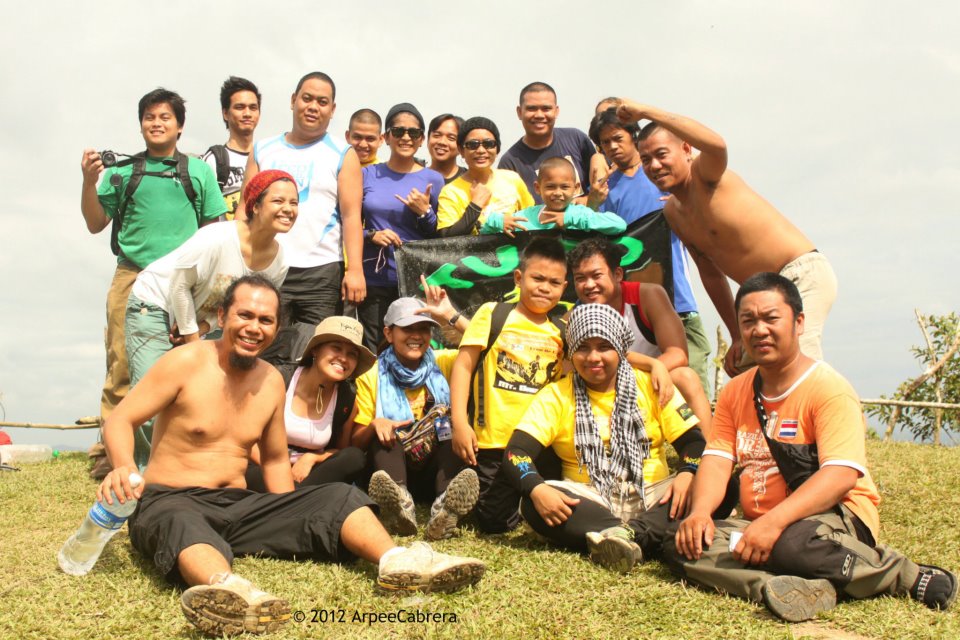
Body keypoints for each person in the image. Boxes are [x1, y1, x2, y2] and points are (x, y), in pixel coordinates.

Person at [98, 275, 485, 636]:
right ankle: (230, 592)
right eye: (244, 315)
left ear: (276, 328)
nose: (254, 327)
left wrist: (291, 510)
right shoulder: (185, 362)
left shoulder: (269, 381)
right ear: (222, 316)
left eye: (265, 320)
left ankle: (398, 562)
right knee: (180, 522)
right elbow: (121, 419)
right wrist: (125, 467)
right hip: (173, 497)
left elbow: (274, 460)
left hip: (239, 504)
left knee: (340, 495)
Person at [667, 273, 956, 622]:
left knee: (794, 546)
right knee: (681, 543)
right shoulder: (734, 391)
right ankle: (780, 589)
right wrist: (699, 514)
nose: (759, 329)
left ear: (799, 322)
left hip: (832, 520)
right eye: (748, 321)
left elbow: (841, 474)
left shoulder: (828, 388)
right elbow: (717, 458)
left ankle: (902, 574)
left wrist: (773, 524)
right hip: (759, 525)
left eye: (771, 318)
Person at [614, 100, 838, 376]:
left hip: (800, 273)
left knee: (796, 364)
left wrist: (647, 112)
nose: (655, 165)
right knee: (746, 370)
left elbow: (717, 145)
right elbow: (711, 275)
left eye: (662, 154)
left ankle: (835, 415)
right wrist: (736, 334)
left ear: (686, 150)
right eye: (646, 160)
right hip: (762, 292)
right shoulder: (673, 212)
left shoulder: (705, 175)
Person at [504, 303, 704, 572]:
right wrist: (537, 489)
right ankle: (640, 535)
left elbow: (694, 441)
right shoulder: (556, 396)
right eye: (583, 347)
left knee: (720, 486)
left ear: (621, 350)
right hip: (592, 497)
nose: (593, 357)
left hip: (654, 494)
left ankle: (627, 535)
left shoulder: (650, 384)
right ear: (572, 351)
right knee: (532, 503)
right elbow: (516, 452)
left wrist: (687, 473)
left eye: (604, 347)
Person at [80, 88, 225, 446]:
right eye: (149, 117)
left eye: (165, 117)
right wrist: (88, 181)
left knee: (187, 359)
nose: (156, 123)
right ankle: (112, 451)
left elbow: (215, 229)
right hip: (132, 275)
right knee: (121, 363)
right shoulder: (123, 172)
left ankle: (179, 446)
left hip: (184, 281)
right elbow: (95, 222)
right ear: (140, 125)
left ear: (180, 126)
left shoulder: (198, 171)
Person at [124, 170, 295, 469]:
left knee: (199, 397)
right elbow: (178, 285)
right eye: (278, 200)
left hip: (198, 317)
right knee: (151, 401)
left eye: (294, 202)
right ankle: (139, 479)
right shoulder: (218, 237)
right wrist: (194, 341)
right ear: (255, 205)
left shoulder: (279, 261)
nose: (288, 209)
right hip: (154, 305)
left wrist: (203, 327)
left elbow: (239, 309)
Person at [243, 71, 366, 379]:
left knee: (312, 354)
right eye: (307, 98)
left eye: (322, 102)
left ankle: (303, 424)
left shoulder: (343, 154)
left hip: (321, 271)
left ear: (333, 110)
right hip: (268, 266)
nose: (313, 107)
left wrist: (355, 270)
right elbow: (245, 213)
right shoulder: (263, 149)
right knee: (262, 350)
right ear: (293, 100)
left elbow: (352, 216)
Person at [586, 108, 712, 392]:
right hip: (632, 306)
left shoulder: (662, 173)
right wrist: (593, 202)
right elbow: (593, 236)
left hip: (677, 295)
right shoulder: (605, 189)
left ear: (634, 135)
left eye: (617, 138)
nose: (613, 147)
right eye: (605, 143)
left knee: (692, 373)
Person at [449, 237, 568, 532]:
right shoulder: (493, 314)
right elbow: (463, 367)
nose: (544, 287)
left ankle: (527, 503)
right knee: (494, 523)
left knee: (553, 510)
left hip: (540, 444)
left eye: (554, 282)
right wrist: (459, 424)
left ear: (564, 287)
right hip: (493, 443)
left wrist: (654, 363)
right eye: (537, 278)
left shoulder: (562, 330)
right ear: (519, 278)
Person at [351, 294, 478, 541]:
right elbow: (356, 442)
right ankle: (398, 505)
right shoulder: (371, 376)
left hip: (432, 470)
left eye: (424, 328)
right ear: (388, 334)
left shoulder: (444, 363)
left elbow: (484, 341)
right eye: (408, 328)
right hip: (392, 468)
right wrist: (376, 424)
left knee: (452, 428)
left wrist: (450, 316)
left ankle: (444, 507)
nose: (417, 336)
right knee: (385, 436)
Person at [568, 238, 713, 438]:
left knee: (686, 377)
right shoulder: (573, 317)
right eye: (580, 278)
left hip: (647, 384)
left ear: (617, 274)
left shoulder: (647, 296)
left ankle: (710, 452)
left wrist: (651, 369)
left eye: (596, 275)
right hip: (601, 390)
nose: (589, 285)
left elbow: (678, 354)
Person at [244, 316, 374, 491]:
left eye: (352, 354)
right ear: (315, 350)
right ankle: (299, 500)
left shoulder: (347, 398)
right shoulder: (278, 379)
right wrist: (280, 471)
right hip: (262, 464)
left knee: (354, 457)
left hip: (307, 474)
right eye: (336, 348)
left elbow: (340, 451)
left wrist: (312, 458)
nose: (343, 358)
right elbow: (245, 437)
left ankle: (291, 500)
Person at [357, 103, 444, 350]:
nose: (406, 137)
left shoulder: (433, 179)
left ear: (421, 140)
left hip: (416, 280)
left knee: (413, 348)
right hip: (374, 279)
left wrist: (424, 213)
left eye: (413, 133)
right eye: (398, 131)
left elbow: (439, 235)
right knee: (373, 347)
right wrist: (371, 235)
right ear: (386, 137)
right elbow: (348, 223)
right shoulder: (367, 175)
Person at [498, 82, 599, 203]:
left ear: (556, 111)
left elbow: (601, 188)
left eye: (546, 108)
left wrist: (586, 201)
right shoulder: (510, 163)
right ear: (519, 112)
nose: (539, 115)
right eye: (531, 108)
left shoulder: (576, 139)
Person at [436, 117, 534, 237]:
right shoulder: (450, 192)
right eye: (473, 145)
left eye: (489, 144)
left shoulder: (512, 179)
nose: (481, 150)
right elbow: (446, 239)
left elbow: (532, 219)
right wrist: (475, 206)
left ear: (497, 148)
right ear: (461, 150)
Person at [480, 157, 625, 237]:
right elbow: (483, 237)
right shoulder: (526, 218)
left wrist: (570, 219)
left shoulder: (579, 214)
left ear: (575, 188)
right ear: (537, 188)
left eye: (564, 187)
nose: (557, 192)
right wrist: (496, 221)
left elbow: (619, 225)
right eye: (550, 187)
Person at [203, 76, 261, 220]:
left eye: (253, 107)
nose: (247, 113)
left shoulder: (265, 155)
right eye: (239, 107)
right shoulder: (213, 160)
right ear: (225, 113)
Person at [427, 113, 465, 184]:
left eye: (451, 138)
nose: (442, 142)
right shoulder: (416, 178)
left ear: (461, 146)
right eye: (437, 135)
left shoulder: (471, 180)